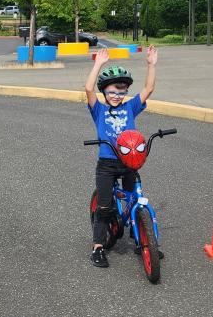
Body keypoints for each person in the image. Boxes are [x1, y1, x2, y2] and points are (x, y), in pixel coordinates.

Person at [84, 46, 157, 268]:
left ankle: (143, 239)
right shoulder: (99, 110)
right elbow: (88, 89)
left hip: (129, 162)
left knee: (135, 197)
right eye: (113, 92)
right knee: (105, 207)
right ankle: (97, 247)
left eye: (121, 92)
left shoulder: (130, 108)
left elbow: (149, 88)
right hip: (107, 164)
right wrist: (98, 64)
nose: (117, 96)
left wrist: (151, 64)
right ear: (105, 91)